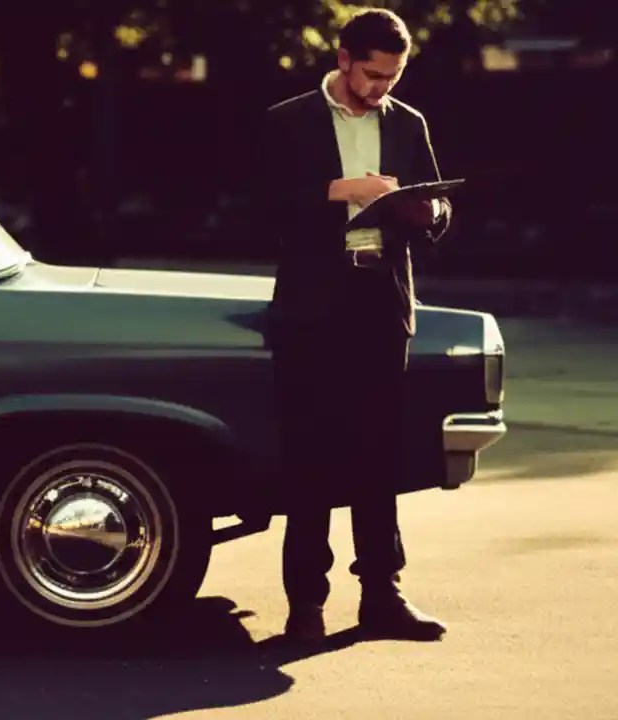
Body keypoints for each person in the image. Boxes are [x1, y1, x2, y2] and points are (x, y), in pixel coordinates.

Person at [255, 8, 454, 642]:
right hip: (311, 308)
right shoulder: (288, 121)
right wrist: (337, 191)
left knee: (378, 452)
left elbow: (437, 203)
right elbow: (256, 206)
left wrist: (431, 211)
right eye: (373, 74)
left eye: (393, 77)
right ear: (343, 59)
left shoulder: (409, 121)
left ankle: (382, 595)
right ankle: (305, 605)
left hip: (381, 304)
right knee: (309, 455)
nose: (381, 88)